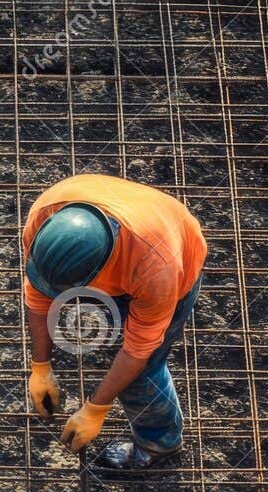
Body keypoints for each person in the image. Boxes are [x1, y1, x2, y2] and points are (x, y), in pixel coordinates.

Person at [21, 173, 207, 472]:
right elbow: (38, 296)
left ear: (101, 271)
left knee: (142, 373)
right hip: (132, 241)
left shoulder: (155, 270)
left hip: (175, 253)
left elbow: (138, 348)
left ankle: (159, 444)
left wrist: (96, 408)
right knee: (116, 343)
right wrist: (40, 367)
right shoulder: (45, 216)